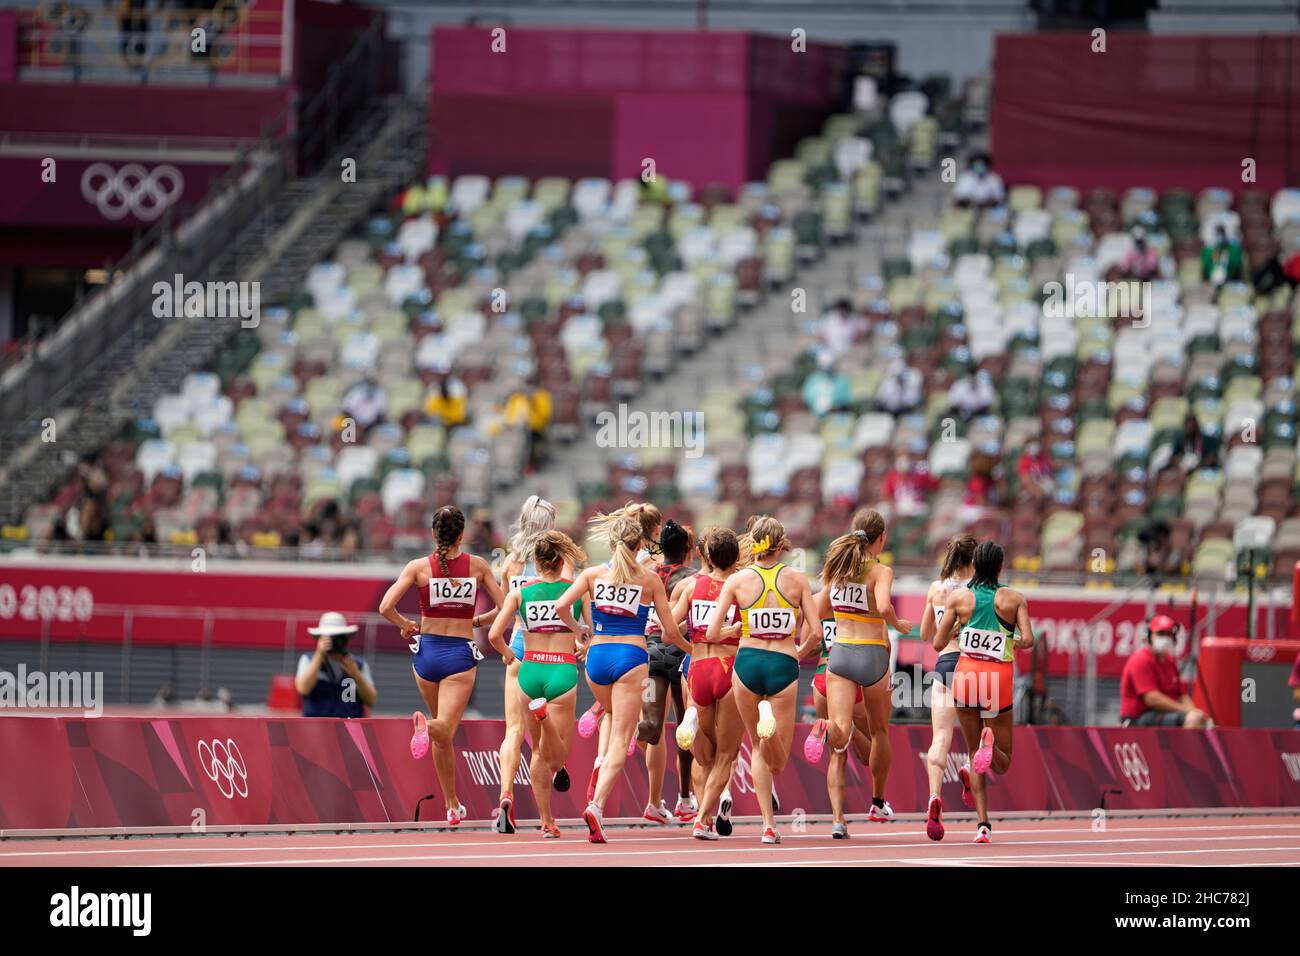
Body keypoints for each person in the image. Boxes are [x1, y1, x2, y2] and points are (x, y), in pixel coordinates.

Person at [553, 510, 686, 843]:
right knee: (621, 739)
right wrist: (692, 648)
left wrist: (579, 630)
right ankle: (596, 806)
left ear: (611, 544)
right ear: (640, 544)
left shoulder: (593, 574)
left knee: (612, 716)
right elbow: (670, 632)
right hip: (631, 658)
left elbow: (560, 607)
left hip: (597, 659)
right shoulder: (649, 579)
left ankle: (600, 756)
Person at [378, 505, 505, 826]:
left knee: (442, 736)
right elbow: (506, 607)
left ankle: (452, 804)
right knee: (444, 727)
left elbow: (385, 607)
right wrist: (479, 620)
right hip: (459, 655)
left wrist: (405, 624)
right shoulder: (478, 566)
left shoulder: (418, 567)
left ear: (434, 534)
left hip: (427, 654)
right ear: (462, 535)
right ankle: (423, 725)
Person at [706, 516, 820, 845]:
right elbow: (816, 632)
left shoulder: (737, 580)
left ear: (752, 543)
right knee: (778, 762)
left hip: (748, 664)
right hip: (783, 663)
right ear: (781, 545)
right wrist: (797, 653)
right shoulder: (797, 579)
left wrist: (737, 629)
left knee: (757, 747)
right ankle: (767, 715)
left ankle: (768, 826)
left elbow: (711, 632)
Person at [810, 510, 913, 836]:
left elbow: (818, 608)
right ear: (881, 538)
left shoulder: (837, 568)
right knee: (880, 731)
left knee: (840, 732)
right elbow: (883, 607)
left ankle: (823, 727)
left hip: (839, 654)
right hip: (871, 654)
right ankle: (878, 802)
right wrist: (898, 624)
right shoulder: (881, 571)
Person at [488, 530, 591, 838]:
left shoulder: (520, 594)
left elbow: (494, 635)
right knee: (556, 758)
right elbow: (591, 632)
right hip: (561, 671)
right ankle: (544, 719)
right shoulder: (576, 591)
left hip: (530, 671)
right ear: (561, 562)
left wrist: (509, 655)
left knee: (536, 752)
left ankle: (547, 820)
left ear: (536, 562)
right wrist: (584, 645)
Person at [932, 540, 1036, 844]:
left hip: (965, 676)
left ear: (975, 565)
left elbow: (938, 644)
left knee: (972, 753)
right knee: (1002, 762)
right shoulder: (1014, 598)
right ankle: (988, 744)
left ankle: (983, 826)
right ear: (1000, 566)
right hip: (997, 678)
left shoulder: (959, 598)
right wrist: (1011, 640)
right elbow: (1029, 639)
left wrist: (958, 630)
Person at [673, 527, 745, 840]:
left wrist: (693, 647)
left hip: (698, 668)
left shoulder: (691, 586)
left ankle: (689, 719)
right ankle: (702, 819)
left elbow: (667, 630)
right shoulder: (743, 587)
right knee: (726, 755)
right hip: (729, 668)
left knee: (705, 757)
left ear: (707, 557)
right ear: (737, 557)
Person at [639, 519, 698, 824]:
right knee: (685, 727)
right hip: (681, 656)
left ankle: (617, 737)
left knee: (651, 726)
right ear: (689, 550)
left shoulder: (646, 575)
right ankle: (685, 799)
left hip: (651, 656)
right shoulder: (693, 579)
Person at [919, 534, 977, 841]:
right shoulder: (977, 591)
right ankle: (968, 766)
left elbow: (925, 634)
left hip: (944, 664)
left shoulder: (936, 588)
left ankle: (934, 795)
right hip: (971, 665)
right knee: (979, 736)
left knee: (940, 737)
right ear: (973, 560)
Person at [1119, 615, 1211, 728]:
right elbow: (1152, 699)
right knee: (1192, 719)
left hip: (1161, 713)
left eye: (1168, 634)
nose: (1165, 638)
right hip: (1138, 717)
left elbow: (1181, 695)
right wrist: (1186, 711)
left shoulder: (1170, 662)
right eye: (1160, 634)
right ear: (1150, 636)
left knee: (1199, 719)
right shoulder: (1140, 660)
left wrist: (1195, 711)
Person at [294, 611, 378, 717]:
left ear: (347, 638)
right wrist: (319, 655)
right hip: (316, 724)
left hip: (349, 725)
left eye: (338, 637)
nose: (334, 641)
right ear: (320, 638)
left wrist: (356, 675)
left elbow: (371, 700)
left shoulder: (358, 664)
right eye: (330, 638)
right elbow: (302, 689)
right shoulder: (308, 660)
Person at [1201, 224, 1243, 293]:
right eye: (1218, 234)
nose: (1220, 237)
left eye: (1221, 234)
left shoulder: (1233, 249)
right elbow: (1205, 267)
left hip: (1230, 280)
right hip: (1211, 282)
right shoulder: (1209, 250)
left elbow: (1236, 265)